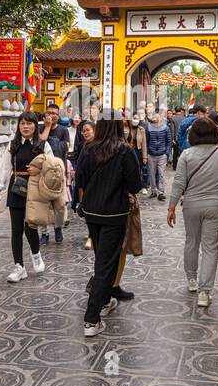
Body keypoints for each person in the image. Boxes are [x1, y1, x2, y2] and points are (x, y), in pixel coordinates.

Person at [75, 118, 143, 337]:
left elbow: (80, 181)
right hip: (114, 213)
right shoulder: (125, 151)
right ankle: (91, 318)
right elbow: (135, 185)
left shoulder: (88, 149)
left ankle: (105, 299)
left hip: (92, 212)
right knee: (106, 264)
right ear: (117, 128)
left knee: (101, 258)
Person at [167, 115, 218, 308]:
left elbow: (179, 183)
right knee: (211, 247)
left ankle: (191, 279)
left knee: (191, 241)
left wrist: (171, 207)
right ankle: (205, 292)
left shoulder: (187, 155)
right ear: (215, 133)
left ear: (193, 134)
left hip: (191, 205)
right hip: (216, 205)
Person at [0, 111, 48, 283]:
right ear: (18, 126)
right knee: (16, 230)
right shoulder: (13, 145)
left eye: (29, 123)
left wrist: (40, 169)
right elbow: (3, 169)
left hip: (35, 191)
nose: (25, 127)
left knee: (29, 227)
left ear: (35, 126)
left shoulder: (43, 145)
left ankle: (36, 253)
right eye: (22, 123)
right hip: (16, 188)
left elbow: (54, 167)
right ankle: (19, 267)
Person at [40, 103, 70, 244]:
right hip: (42, 172)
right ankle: (44, 233)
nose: (51, 116)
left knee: (58, 204)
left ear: (59, 116)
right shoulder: (40, 128)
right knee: (43, 204)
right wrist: (46, 127)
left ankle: (58, 229)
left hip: (58, 171)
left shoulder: (63, 130)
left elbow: (65, 148)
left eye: (54, 114)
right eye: (49, 113)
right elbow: (39, 146)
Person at [74, 119, 97, 250]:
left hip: (94, 183)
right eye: (83, 131)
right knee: (85, 209)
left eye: (88, 130)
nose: (85, 133)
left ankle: (91, 236)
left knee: (92, 210)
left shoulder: (98, 146)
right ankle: (91, 233)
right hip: (83, 183)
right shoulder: (83, 145)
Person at [144, 109, 171, 200]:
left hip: (162, 154)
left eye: (157, 117)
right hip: (151, 154)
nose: (155, 119)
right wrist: (147, 152)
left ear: (160, 118)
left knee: (161, 174)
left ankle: (161, 192)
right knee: (151, 173)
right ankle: (153, 191)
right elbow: (146, 141)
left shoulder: (165, 128)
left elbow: (168, 141)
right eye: (154, 117)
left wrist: (166, 152)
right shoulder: (148, 127)